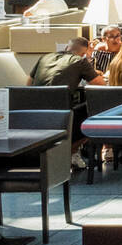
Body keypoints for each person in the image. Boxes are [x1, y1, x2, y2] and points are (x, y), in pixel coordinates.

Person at [28, 36, 105, 172]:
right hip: (61, 114)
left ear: (66, 48)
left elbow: (28, 83)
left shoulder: (45, 57)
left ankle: (68, 153)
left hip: (33, 111)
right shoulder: (79, 61)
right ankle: (68, 152)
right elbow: (100, 84)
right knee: (96, 114)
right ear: (84, 53)